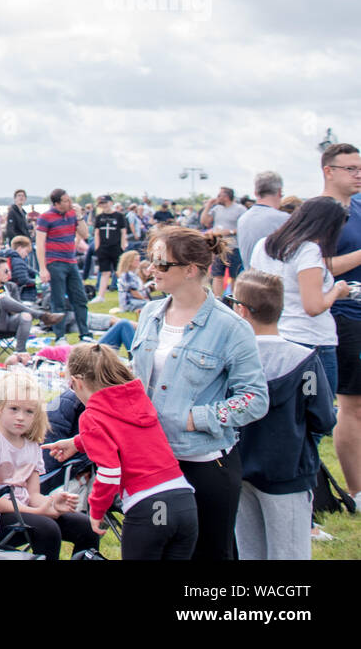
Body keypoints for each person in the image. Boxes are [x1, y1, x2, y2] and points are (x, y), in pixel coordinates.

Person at [131, 227, 268, 560]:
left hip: (206, 466)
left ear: (190, 270)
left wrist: (198, 418)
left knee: (208, 553)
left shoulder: (231, 327)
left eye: (161, 263)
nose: (151, 269)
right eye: (151, 261)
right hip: (153, 461)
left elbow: (255, 398)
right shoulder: (150, 315)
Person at [44, 344, 198, 560]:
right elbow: (125, 433)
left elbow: (110, 472)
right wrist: (77, 442)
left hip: (150, 505)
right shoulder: (138, 399)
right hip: (183, 501)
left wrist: (96, 511)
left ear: (78, 382)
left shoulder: (91, 416)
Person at [225, 271, 335, 560]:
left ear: (241, 309)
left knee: (250, 552)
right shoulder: (304, 361)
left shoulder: (229, 360)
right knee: (290, 553)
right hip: (289, 470)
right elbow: (324, 418)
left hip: (240, 465)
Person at [0, 371, 99, 561]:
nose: (21, 417)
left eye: (29, 412)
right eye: (14, 409)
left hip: (23, 508)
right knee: (47, 528)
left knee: (85, 526)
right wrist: (39, 512)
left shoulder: (32, 444)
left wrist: (52, 503)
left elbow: (33, 495)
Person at [247, 196, 351, 396]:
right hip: (311, 342)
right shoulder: (307, 251)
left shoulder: (264, 245)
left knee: (285, 412)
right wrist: (337, 290)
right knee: (315, 413)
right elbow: (313, 306)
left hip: (274, 336)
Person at [320, 143, 361, 503]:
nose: (358, 174)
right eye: (350, 168)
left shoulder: (360, 207)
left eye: (360, 167)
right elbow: (315, 268)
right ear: (328, 171)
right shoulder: (321, 213)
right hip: (345, 317)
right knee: (352, 403)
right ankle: (356, 489)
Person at [35, 188, 90, 343]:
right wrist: (43, 268)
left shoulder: (72, 215)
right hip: (55, 262)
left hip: (71, 261)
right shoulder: (46, 217)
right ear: (57, 203)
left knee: (80, 298)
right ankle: (60, 336)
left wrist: (79, 216)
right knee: (57, 300)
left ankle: (84, 333)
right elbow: (40, 244)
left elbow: (85, 234)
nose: (69, 203)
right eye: (66, 200)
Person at [0, 259, 63, 353]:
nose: (9, 274)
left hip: (9, 323)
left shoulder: (11, 286)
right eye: (6, 271)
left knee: (26, 316)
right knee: (3, 299)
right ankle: (42, 316)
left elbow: (18, 308)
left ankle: (20, 352)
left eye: (10, 270)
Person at [236, 171, 290, 266]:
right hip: (273, 279)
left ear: (256, 193)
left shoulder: (242, 219)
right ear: (280, 191)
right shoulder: (284, 219)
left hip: (249, 277)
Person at [200, 187, 245, 294]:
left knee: (234, 276)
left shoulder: (240, 209)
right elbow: (204, 221)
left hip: (234, 247)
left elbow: (245, 226)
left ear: (226, 197)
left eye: (219, 195)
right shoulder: (217, 209)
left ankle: (233, 300)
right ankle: (218, 299)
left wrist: (230, 231)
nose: (217, 198)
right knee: (217, 275)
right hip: (218, 247)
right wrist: (208, 206)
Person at [91, 195, 128, 303]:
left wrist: (123, 245)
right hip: (103, 248)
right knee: (104, 272)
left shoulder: (119, 216)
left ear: (111, 203)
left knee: (120, 272)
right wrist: (97, 247)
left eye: (106, 203)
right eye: (102, 203)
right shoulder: (99, 217)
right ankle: (101, 296)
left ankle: (124, 295)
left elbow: (123, 231)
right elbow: (97, 232)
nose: (104, 205)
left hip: (116, 247)